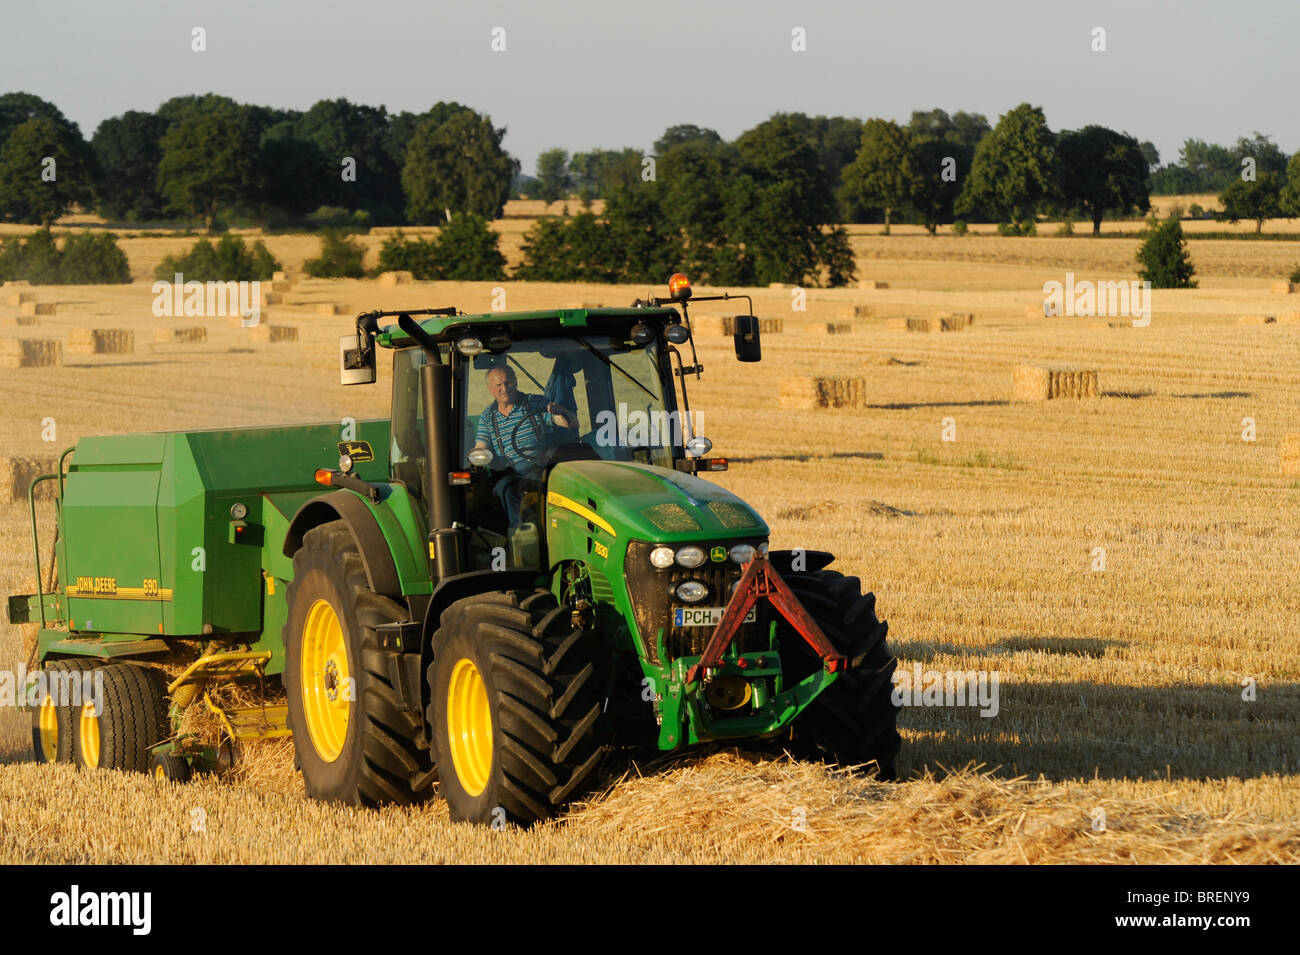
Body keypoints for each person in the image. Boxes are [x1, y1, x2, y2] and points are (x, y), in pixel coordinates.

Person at [471, 365, 576, 525]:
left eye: (508, 383)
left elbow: (568, 423)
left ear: (516, 382)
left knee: (545, 486)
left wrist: (559, 411)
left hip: (539, 466)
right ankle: (519, 532)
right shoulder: (488, 416)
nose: (504, 388)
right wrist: (478, 455)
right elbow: (481, 445)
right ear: (490, 388)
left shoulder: (535, 403)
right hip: (509, 472)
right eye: (499, 385)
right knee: (503, 488)